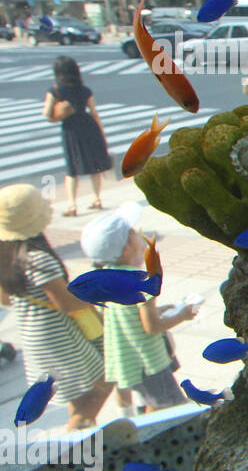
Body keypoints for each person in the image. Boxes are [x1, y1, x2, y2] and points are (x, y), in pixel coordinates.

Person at [0, 184, 111, 431]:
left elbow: (6, 299)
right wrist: (100, 294)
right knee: (106, 379)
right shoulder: (38, 258)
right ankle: (73, 441)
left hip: (33, 338)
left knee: (75, 393)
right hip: (59, 337)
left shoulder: (5, 256)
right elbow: (66, 303)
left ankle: (82, 438)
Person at [81, 205, 195, 415]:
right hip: (149, 362)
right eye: (132, 232)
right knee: (173, 410)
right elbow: (152, 327)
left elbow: (125, 314)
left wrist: (160, 309)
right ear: (126, 249)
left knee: (150, 406)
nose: (138, 233)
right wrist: (183, 314)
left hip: (127, 361)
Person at [42, 56, 111, 217]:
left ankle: (72, 205)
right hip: (89, 127)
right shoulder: (85, 90)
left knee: (71, 168)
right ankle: (96, 199)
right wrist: (102, 133)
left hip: (70, 130)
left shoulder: (55, 91)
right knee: (94, 165)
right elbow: (94, 113)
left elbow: (47, 113)